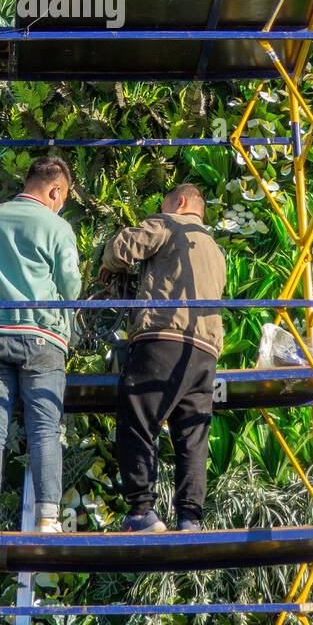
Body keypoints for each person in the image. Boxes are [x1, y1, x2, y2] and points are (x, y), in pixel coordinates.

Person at [101, 182, 226, 533]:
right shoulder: (216, 251)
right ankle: (190, 518)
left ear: (180, 201)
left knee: (138, 419)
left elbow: (123, 249)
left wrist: (109, 263)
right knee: (192, 435)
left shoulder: (169, 224)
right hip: (204, 352)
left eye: (165, 201)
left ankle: (142, 511)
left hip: (163, 337)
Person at [0, 156, 81, 534]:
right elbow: (71, 288)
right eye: (62, 197)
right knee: (44, 430)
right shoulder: (57, 226)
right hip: (42, 337)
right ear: (55, 190)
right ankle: (48, 519)